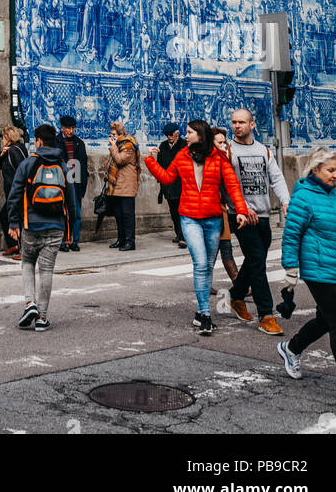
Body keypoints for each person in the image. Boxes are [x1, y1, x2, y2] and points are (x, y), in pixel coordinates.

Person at [146, 118, 249, 335]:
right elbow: (166, 178)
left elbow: (232, 185)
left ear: (200, 135)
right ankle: (205, 314)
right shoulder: (182, 156)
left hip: (213, 219)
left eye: (190, 132)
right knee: (201, 263)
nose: (186, 135)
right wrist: (150, 160)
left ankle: (199, 313)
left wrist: (241, 210)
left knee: (208, 265)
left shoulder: (218, 157)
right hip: (189, 218)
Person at [276, 146, 336, 408]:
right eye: (330, 170)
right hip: (316, 270)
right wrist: (290, 269)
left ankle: (292, 348)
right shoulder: (303, 198)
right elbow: (291, 236)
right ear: (315, 169)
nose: (335, 175)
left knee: (325, 321)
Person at [227, 107, 291, 334]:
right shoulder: (227, 150)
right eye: (234, 122)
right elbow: (225, 184)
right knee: (257, 259)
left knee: (256, 260)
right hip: (241, 216)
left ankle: (235, 296)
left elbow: (276, 178)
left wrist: (286, 201)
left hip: (263, 214)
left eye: (241, 122)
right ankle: (266, 315)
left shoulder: (263, 150)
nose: (237, 126)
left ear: (252, 125)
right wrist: (242, 208)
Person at [7, 123, 75, 333]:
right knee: (46, 270)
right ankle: (42, 318)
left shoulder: (28, 164)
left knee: (27, 262)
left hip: (31, 224)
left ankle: (30, 304)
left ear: (38, 141)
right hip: (56, 226)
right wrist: (70, 232)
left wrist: (13, 223)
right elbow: (71, 201)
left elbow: (15, 195)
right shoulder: (65, 166)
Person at [105, 119, 141, 250]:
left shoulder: (128, 145)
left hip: (126, 185)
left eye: (114, 134)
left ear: (120, 134)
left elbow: (120, 160)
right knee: (118, 215)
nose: (112, 137)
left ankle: (130, 242)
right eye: (111, 134)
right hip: (116, 185)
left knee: (127, 215)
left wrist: (113, 146)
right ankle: (121, 239)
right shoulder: (119, 145)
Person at [211, 128, 241, 283]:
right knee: (213, 250)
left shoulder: (227, 159)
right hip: (210, 210)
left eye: (224, 142)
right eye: (219, 142)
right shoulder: (208, 161)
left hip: (222, 209)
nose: (223, 145)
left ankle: (238, 283)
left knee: (225, 246)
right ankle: (205, 283)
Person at [0, 125, 28, 257]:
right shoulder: (13, 149)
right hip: (12, 192)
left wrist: (18, 188)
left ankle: (22, 250)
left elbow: (21, 171)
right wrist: (1, 154)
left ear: (8, 138)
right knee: (6, 216)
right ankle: (14, 245)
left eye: (3, 137)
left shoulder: (15, 151)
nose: (2, 139)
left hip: (16, 192)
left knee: (16, 218)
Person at [56, 114, 87, 251]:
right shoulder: (56, 142)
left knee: (77, 213)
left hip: (76, 181)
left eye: (73, 128)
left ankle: (74, 240)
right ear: (62, 128)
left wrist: (83, 183)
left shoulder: (79, 143)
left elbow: (84, 165)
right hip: (62, 181)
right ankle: (63, 241)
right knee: (63, 212)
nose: (71, 131)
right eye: (68, 128)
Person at [155, 122, 187, 248]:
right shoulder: (163, 146)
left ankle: (183, 236)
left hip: (181, 184)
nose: (169, 137)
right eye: (167, 135)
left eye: (171, 134)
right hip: (168, 184)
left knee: (182, 211)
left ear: (177, 134)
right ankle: (178, 234)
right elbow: (160, 164)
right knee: (173, 211)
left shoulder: (184, 145)